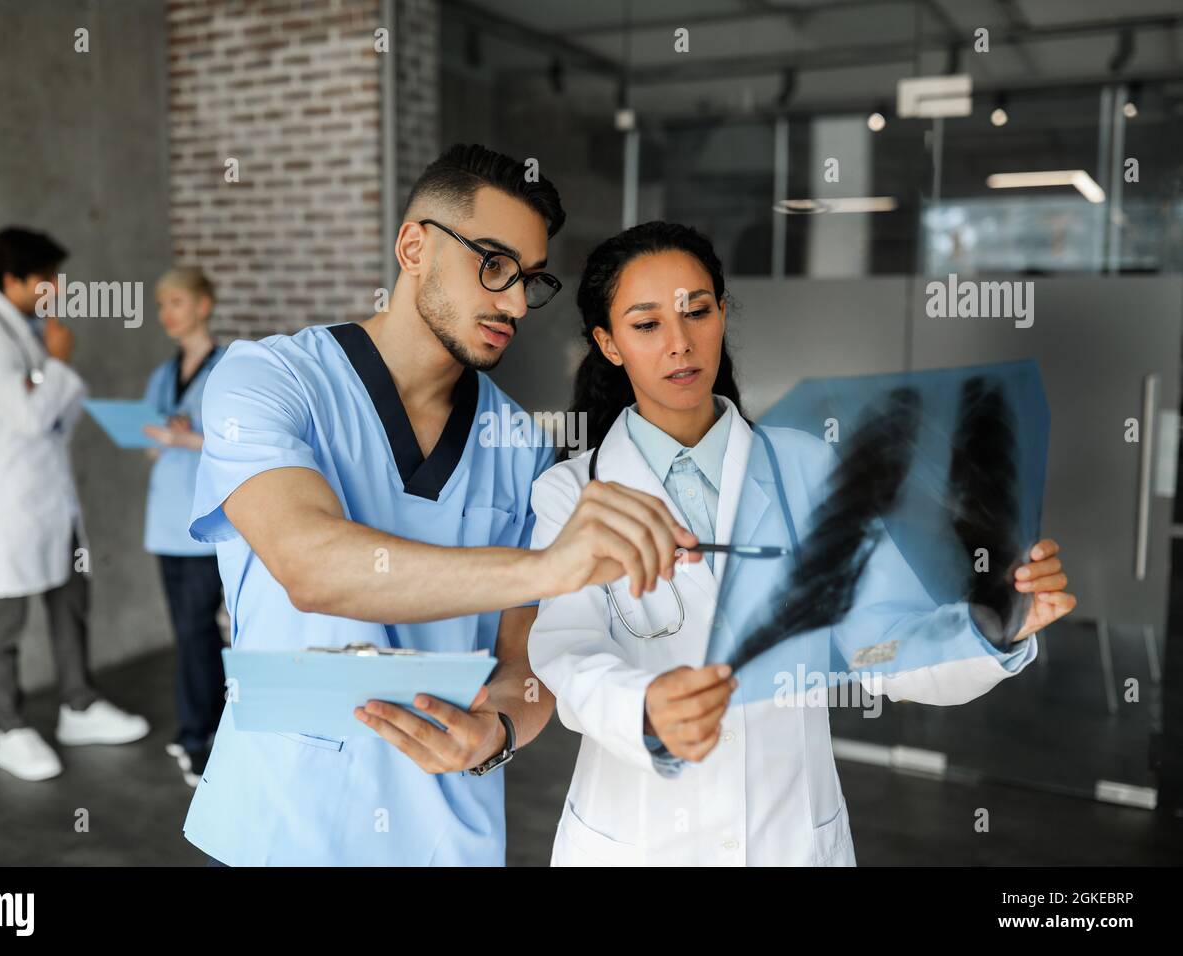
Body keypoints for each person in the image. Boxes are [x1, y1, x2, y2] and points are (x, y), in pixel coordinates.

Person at [180, 145, 699, 865]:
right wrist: (548, 567)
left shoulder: (519, 447)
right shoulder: (268, 381)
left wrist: (500, 734)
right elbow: (310, 564)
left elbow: (526, 667)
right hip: (281, 825)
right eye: (493, 265)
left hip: (445, 835)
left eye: (530, 281)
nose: (515, 303)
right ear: (414, 245)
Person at [526, 221, 1078, 866]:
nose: (679, 343)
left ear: (721, 315)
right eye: (646, 325)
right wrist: (645, 708)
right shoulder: (572, 491)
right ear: (609, 343)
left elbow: (882, 642)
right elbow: (567, 649)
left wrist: (996, 625)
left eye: (696, 312)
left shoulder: (809, 470)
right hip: (637, 839)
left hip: (785, 835)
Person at [0, 226, 150, 782]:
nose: (56, 288)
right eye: (46, 279)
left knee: (71, 599)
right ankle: (9, 729)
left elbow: (57, 419)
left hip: (50, 497)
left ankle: (78, 705)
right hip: (10, 502)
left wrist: (52, 370)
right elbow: (30, 417)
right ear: (13, 280)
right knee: (6, 617)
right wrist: (59, 363)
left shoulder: (32, 330)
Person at [140, 267, 227, 788]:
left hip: (201, 526)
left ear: (203, 304)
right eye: (160, 304)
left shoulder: (228, 369)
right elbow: (152, 446)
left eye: (175, 302)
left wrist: (187, 437)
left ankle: (199, 737)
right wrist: (156, 437)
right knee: (186, 632)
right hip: (163, 522)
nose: (166, 314)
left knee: (197, 630)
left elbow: (235, 444)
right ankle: (201, 726)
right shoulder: (160, 373)